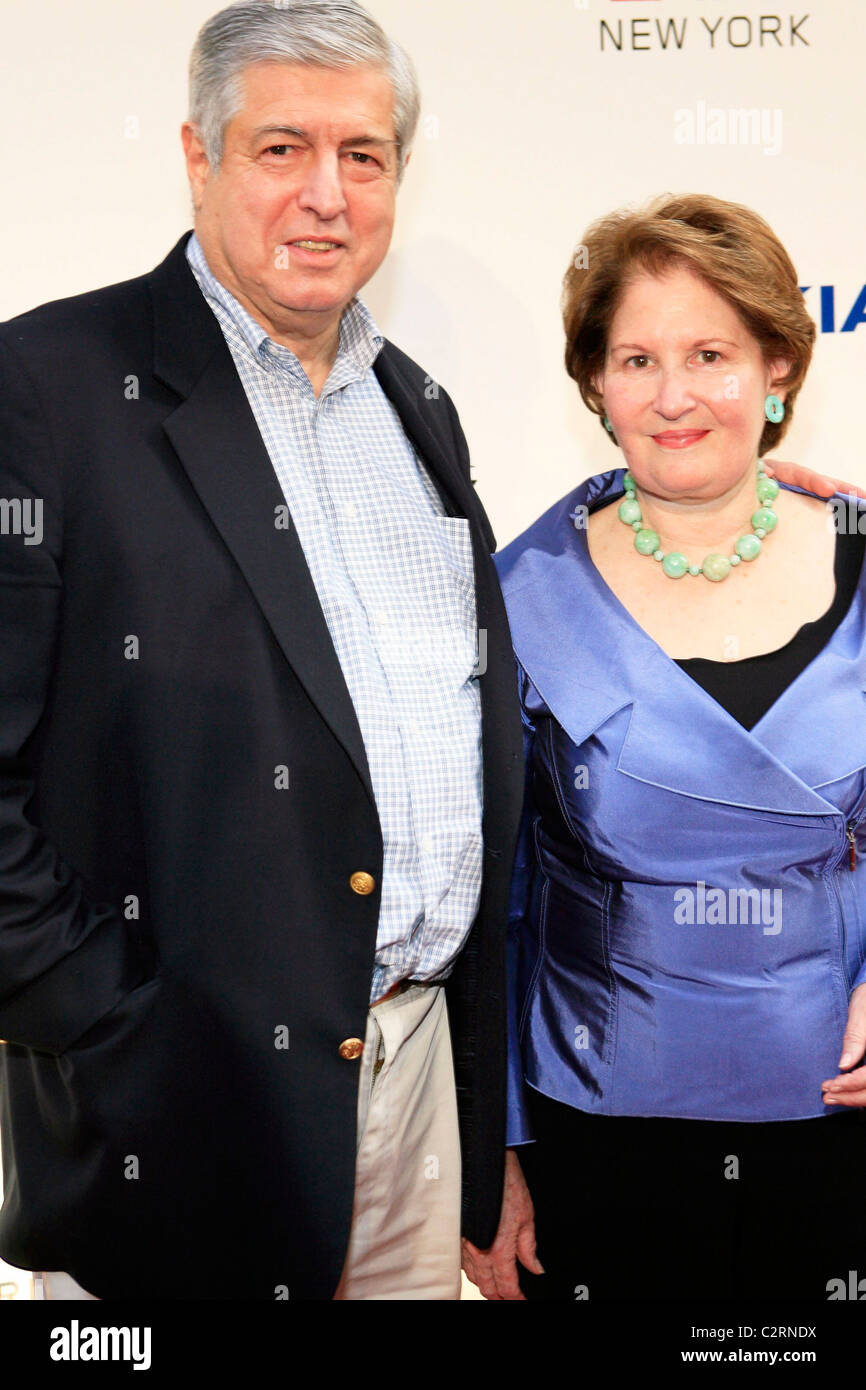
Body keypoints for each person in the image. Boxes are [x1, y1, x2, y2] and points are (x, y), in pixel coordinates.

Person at [0, 0, 527, 1300]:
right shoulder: (50, 387)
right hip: (178, 1119)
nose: (327, 196)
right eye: (281, 148)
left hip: (413, 1088)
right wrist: (125, 1032)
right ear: (199, 157)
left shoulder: (417, 408)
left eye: (363, 156)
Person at [463, 193, 866, 1301]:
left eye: (709, 353)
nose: (673, 395)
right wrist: (487, 1157)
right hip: (597, 1136)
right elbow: (490, 903)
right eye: (635, 359)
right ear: (593, 383)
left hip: (840, 1122)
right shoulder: (518, 596)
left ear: (778, 364)